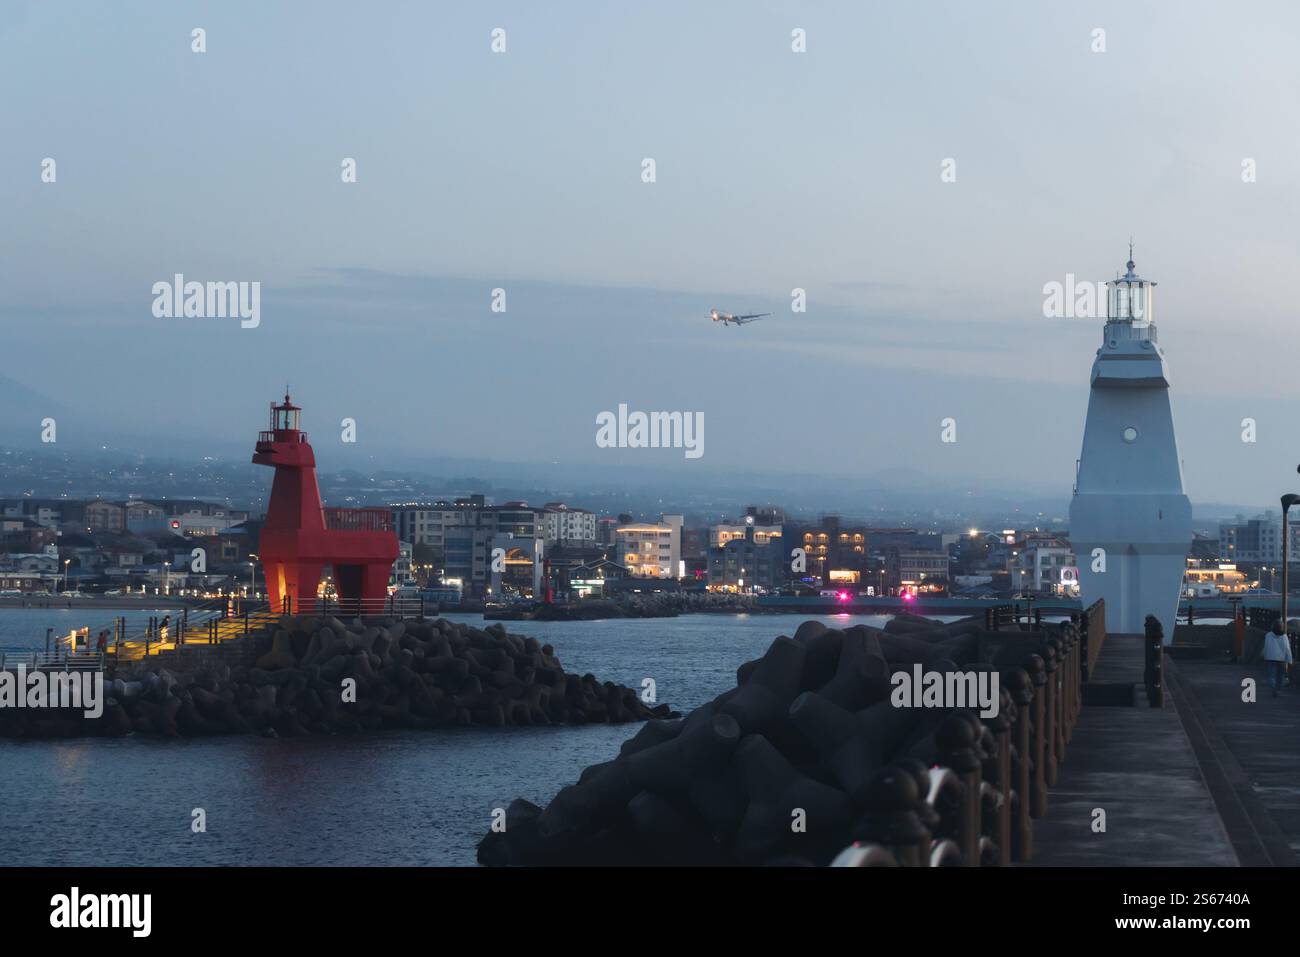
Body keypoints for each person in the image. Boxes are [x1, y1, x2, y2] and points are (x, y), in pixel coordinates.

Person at [1263, 619, 1293, 698]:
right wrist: (1289, 660)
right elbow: (1287, 649)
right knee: (1280, 676)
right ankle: (1278, 689)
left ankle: (1273, 687)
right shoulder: (1284, 636)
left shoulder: (1268, 635)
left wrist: (1265, 656)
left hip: (1270, 658)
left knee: (1271, 675)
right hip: (1282, 659)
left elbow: (1266, 647)